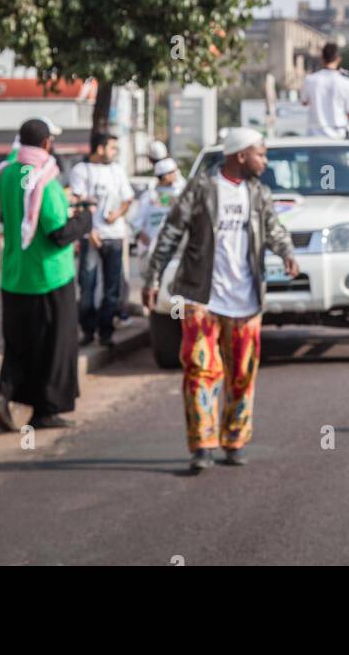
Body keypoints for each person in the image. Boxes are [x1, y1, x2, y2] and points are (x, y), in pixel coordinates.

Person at [144, 128, 300, 473]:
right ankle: (201, 444)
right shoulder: (202, 188)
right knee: (200, 370)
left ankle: (234, 438)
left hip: (246, 302)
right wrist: (153, 277)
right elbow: (171, 232)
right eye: (260, 153)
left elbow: (274, 229)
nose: (265, 160)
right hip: (201, 299)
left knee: (242, 373)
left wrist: (287, 253)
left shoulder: (258, 192)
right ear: (240, 155)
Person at [0, 119, 95, 432]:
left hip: (14, 276)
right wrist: (85, 220)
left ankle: (5, 394)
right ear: (46, 143)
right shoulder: (43, 178)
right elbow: (57, 232)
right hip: (49, 277)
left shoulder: (6, 173)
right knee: (55, 346)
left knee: (19, 343)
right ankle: (44, 411)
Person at [68, 132, 136, 345]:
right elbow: (78, 205)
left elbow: (128, 199)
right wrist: (89, 232)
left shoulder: (117, 171)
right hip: (92, 237)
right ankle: (88, 330)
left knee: (112, 287)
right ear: (100, 148)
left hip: (114, 236)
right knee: (87, 284)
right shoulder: (82, 171)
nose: (115, 152)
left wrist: (117, 214)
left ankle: (106, 332)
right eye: (112, 147)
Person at [301, 42, 349, 139]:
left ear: (322, 58)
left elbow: (304, 102)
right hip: (339, 134)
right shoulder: (347, 82)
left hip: (314, 135)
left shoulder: (310, 80)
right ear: (338, 59)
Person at [132, 157, 185, 259]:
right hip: (152, 251)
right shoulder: (149, 196)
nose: (176, 174)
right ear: (165, 176)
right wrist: (142, 237)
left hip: (175, 251)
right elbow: (136, 222)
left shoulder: (179, 194)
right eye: (173, 172)